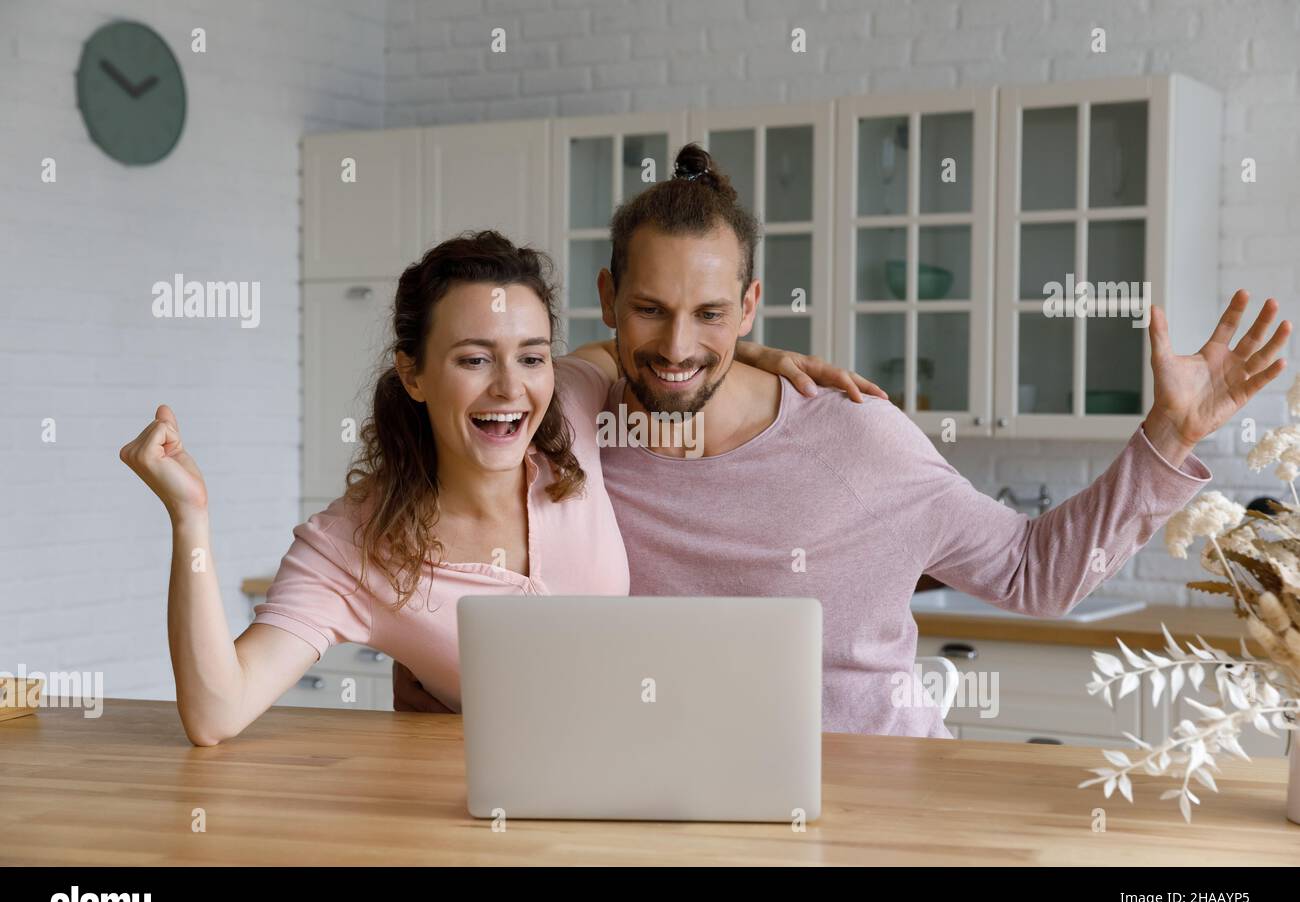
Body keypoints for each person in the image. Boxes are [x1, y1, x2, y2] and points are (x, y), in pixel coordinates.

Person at [395, 143, 1290, 739]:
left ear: (750, 304)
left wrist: (1168, 434)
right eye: (650, 311)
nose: (674, 346)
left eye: (710, 314)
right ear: (607, 299)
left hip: (888, 800)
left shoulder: (860, 439)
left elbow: (1035, 574)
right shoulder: (576, 429)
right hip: (681, 803)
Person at [119, 230, 871, 744]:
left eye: (532, 356)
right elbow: (217, 712)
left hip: (646, 773)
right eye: (474, 360)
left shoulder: (572, 413)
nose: (511, 389)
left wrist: (761, 350)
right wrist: (191, 519)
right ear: (412, 372)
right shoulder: (355, 547)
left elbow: (651, 353)